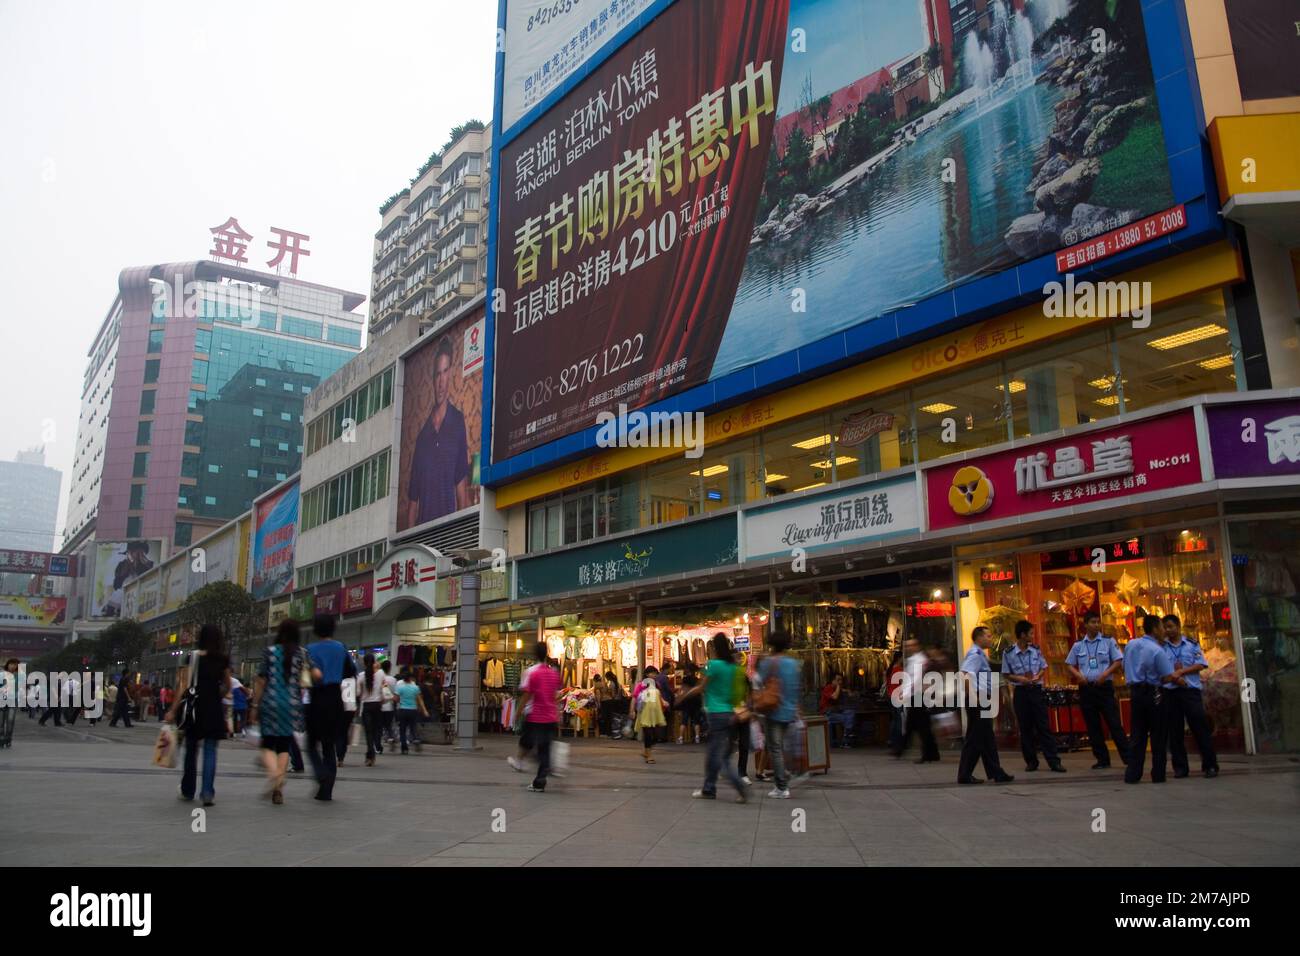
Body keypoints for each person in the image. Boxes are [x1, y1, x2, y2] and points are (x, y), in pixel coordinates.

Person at [405, 333, 472, 526]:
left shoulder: (458, 421)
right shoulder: (422, 437)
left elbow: (461, 488)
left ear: (450, 373)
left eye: (445, 372)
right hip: (423, 537)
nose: (441, 381)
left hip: (448, 534)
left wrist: (463, 536)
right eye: (437, 374)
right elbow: (412, 502)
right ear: (433, 379)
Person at [165, 625, 231, 807]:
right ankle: (207, 792)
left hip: (194, 709)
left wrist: (172, 709)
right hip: (213, 708)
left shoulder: (192, 657)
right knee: (210, 751)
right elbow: (228, 686)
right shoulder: (222, 659)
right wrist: (218, 694)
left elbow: (183, 686)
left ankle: (187, 790)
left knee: (191, 751)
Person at [1065, 610, 1131, 769]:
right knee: (1093, 725)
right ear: (1085, 625)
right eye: (1092, 622)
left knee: (1114, 723)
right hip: (1086, 688)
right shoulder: (1078, 645)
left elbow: (1118, 661)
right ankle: (1102, 759)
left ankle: (1128, 758)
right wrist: (1078, 675)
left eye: (1097, 622)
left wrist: (1105, 674)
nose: (1096, 625)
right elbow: (1068, 664)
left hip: (1104, 688)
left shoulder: (1108, 641)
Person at [250, 620, 306, 805]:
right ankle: (278, 788)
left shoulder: (270, 652)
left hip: (271, 702)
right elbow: (306, 682)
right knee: (284, 745)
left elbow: (261, 681)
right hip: (291, 704)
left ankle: (275, 775)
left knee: (267, 745)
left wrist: (255, 705)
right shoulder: (301, 654)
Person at [689, 634, 749, 802]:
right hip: (731, 713)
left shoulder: (713, 664)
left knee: (717, 756)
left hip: (716, 714)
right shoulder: (733, 666)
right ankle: (709, 788)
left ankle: (737, 785)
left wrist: (683, 696)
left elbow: (701, 687)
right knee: (718, 754)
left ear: (713, 648)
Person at [1124, 614, 1183, 784]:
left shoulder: (1131, 645)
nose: (1164, 630)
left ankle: (1133, 774)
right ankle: (1158, 774)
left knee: (1137, 734)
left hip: (1135, 693)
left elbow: (1124, 666)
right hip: (1154, 693)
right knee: (1158, 735)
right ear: (1156, 628)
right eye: (1162, 627)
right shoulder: (1157, 650)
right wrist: (1178, 678)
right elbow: (1166, 676)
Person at [1002, 620, 1065, 773]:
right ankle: (1031, 761)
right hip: (1021, 692)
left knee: (1043, 726)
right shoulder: (1009, 653)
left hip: (1036, 690)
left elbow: (1044, 667)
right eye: (1030, 633)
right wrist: (1020, 679)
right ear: (1022, 635)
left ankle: (1053, 761)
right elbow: (1006, 674)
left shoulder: (1035, 649)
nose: (1032, 636)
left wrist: (1038, 676)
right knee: (1025, 728)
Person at [1161, 614, 1219, 779]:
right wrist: (1174, 678)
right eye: (1165, 627)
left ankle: (1210, 765)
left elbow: (1201, 664)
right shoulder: (1162, 647)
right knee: (1175, 731)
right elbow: (1159, 671)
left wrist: (1182, 672)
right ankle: (1180, 768)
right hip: (1171, 692)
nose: (1168, 630)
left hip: (1190, 691)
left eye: (1170, 626)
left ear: (1178, 627)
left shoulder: (1191, 644)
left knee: (1200, 728)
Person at [957, 626, 1014, 785]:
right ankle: (965, 774)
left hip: (982, 699)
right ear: (979, 637)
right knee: (975, 738)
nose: (991, 638)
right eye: (988, 636)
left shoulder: (981, 655)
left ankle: (996, 772)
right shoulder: (975, 655)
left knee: (987, 738)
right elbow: (964, 675)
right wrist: (974, 697)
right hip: (978, 700)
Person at [304, 613, 349, 800]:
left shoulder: (309, 649)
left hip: (316, 697)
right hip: (335, 697)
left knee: (311, 743)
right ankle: (327, 790)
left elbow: (306, 675)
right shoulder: (341, 648)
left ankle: (321, 773)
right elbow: (350, 670)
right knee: (329, 744)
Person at [509, 642, 562, 792]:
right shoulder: (553, 673)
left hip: (536, 717)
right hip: (551, 716)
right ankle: (542, 775)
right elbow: (555, 696)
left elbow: (526, 696)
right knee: (544, 748)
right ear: (547, 653)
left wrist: (517, 714)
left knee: (538, 748)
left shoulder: (533, 673)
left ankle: (540, 780)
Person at [758, 629, 803, 798]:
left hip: (774, 709)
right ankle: (789, 773)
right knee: (785, 746)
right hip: (790, 711)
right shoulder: (793, 663)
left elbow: (758, 682)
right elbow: (797, 687)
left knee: (775, 748)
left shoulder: (769, 662)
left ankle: (782, 787)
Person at [891, 638, 939, 763]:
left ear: (916, 646)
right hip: (917, 696)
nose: (908, 648)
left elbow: (915, 680)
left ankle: (919, 752)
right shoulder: (913, 660)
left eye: (911, 645)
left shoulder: (919, 660)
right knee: (920, 725)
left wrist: (905, 694)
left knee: (918, 726)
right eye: (907, 646)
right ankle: (931, 753)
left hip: (918, 696)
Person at [632, 666, 667, 764]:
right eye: (652, 673)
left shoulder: (657, 684)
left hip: (655, 713)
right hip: (644, 713)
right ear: (647, 674)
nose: (654, 675)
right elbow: (634, 698)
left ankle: (646, 751)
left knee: (656, 735)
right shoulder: (641, 685)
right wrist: (632, 710)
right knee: (648, 734)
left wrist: (664, 702)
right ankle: (649, 756)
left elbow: (659, 696)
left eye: (655, 673)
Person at [358, 654, 385, 766]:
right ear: (374, 662)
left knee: (368, 732)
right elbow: (384, 687)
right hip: (378, 705)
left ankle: (370, 755)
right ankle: (375, 748)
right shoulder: (381, 673)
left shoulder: (361, 675)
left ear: (364, 663)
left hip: (367, 706)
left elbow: (358, 693)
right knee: (376, 730)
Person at [394, 668, 427, 754]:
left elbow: (396, 699)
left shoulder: (400, 688)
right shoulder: (415, 687)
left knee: (403, 729)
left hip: (403, 710)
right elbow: (420, 699)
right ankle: (416, 739)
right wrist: (424, 710)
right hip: (413, 710)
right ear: (410, 678)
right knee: (413, 727)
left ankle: (404, 748)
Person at [820, 672, 852, 748]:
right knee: (846, 719)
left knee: (850, 713)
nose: (840, 682)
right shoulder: (828, 688)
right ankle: (845, 740)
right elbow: (834, 697)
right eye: (838, 680)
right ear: (833, 681)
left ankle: (847, 736)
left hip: (834, 712)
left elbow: (846, 692)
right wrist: (838, 687)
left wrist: (848, 691)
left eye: (841, 680)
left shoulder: (838, 689)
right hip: (826, 713)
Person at [338, 659, 358, 765]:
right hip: (351, 708)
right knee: (345, 731)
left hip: (341, 708)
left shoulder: (339, 679)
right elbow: (357, 693)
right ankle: (342, 755)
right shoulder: (354, 679)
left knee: (339, 732)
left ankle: (339, 755)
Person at [677, 663, 703, 744]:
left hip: (687, 702)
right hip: (696, 701)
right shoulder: (697, 680)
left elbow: (681, 690)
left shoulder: (684, 679)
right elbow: (700, 691)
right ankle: (697, 737)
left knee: (684, 721)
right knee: (696, 721)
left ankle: (680, 738)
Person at [378, 659, 398, 748]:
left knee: (379, 725)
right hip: (389, 705)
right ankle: (390, 738)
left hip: (379, 705)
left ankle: (378, 741)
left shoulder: (379, 678)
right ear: (389, 668)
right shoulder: (393, 680)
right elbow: (395, 693)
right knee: (388, 724)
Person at [0, 658, 19, 747]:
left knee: (10, 721)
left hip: (12, 702)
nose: (13, 666)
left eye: (15, 665)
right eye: (11, 664)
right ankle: (1, 739)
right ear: (8, 664)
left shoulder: (18, 676)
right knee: (1, 722)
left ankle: (8, 739)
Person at [603, 670, 625, 739]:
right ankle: (618, 733)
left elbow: (613, 695)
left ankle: (614, 733)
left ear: (608, 677)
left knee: (613, 718)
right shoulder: (617, 682)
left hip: (614, 701)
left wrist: (607, 693)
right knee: (617, 718)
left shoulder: (612, 683)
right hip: (619, 701)